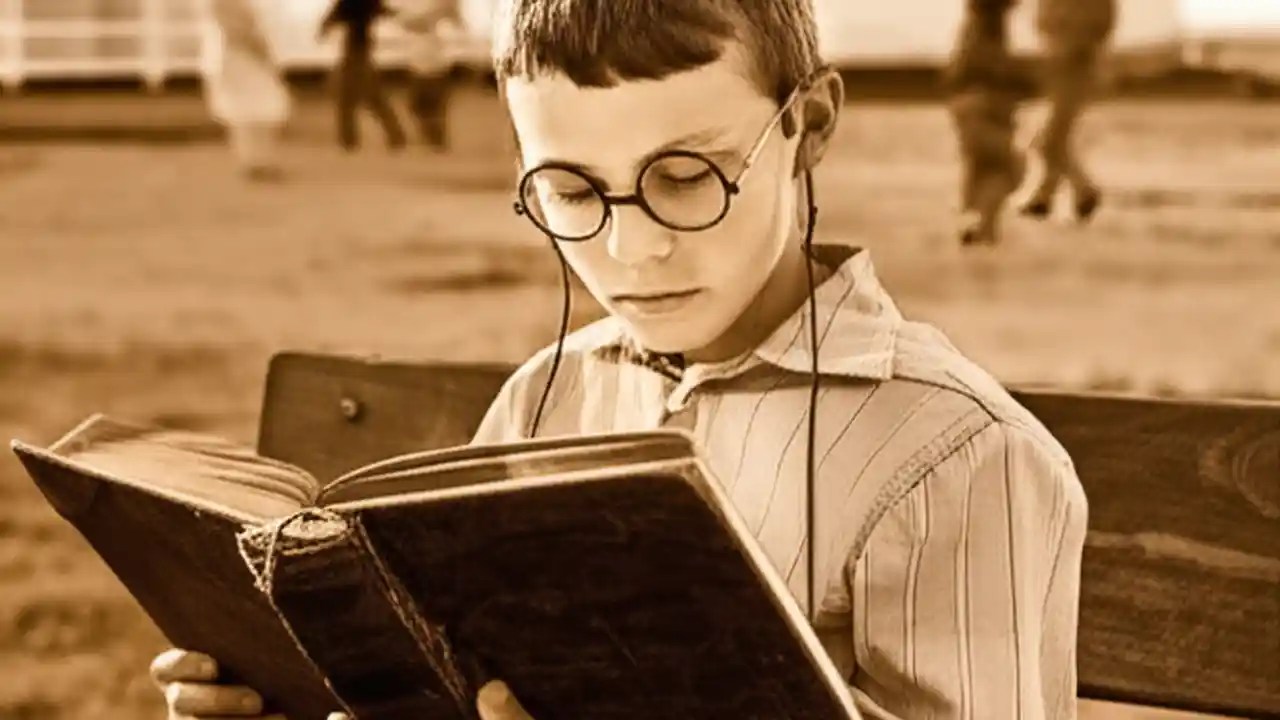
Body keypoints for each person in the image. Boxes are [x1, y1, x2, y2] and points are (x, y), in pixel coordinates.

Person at [152, 1, 1089, 718]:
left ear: (809, 123)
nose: (632, 251)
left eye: (687, 178)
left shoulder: (954, 458)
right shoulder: (543, 401)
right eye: (568, 190)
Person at [1020, 0, 1117, 222]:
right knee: (1053, 138)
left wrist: (1069, 44)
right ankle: (1042, 199)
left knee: (1048, 140)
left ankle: (1084, 190)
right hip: (1062, 66)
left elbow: (1098, 25)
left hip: (1075, 66)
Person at [945, 0, 1028, 246]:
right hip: (984, 104)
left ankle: (979, 227)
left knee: (980, 171)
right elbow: (995, 72)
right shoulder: (989, 35)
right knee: (1009, 169)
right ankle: (981, 224)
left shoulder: (971, 32)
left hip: (965, 104)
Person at [199, 0, 290, 180]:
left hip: (230, 60)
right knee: (257, 109)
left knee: (244, 111)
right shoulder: (231, 6)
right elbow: (241, 32)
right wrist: (265, 55)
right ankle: (259, 160)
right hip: (241, 60)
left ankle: (254, 160)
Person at [317, 0, 408, 151]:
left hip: (355, 49)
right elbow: (384, 10)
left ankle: (350, 140)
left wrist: (324, 29)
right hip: (361, 48)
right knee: (369, 97)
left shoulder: (350, 3)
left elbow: (333, 17)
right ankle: (394, 136)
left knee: (351, 97)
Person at [389, 0, 463, 150]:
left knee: (429, 107)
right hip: (423, 68)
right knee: (423, 107)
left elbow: (414, 20)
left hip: (432, 69)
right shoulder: (427, 18)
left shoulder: (427, 19)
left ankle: (436, 139)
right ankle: (435, 138)